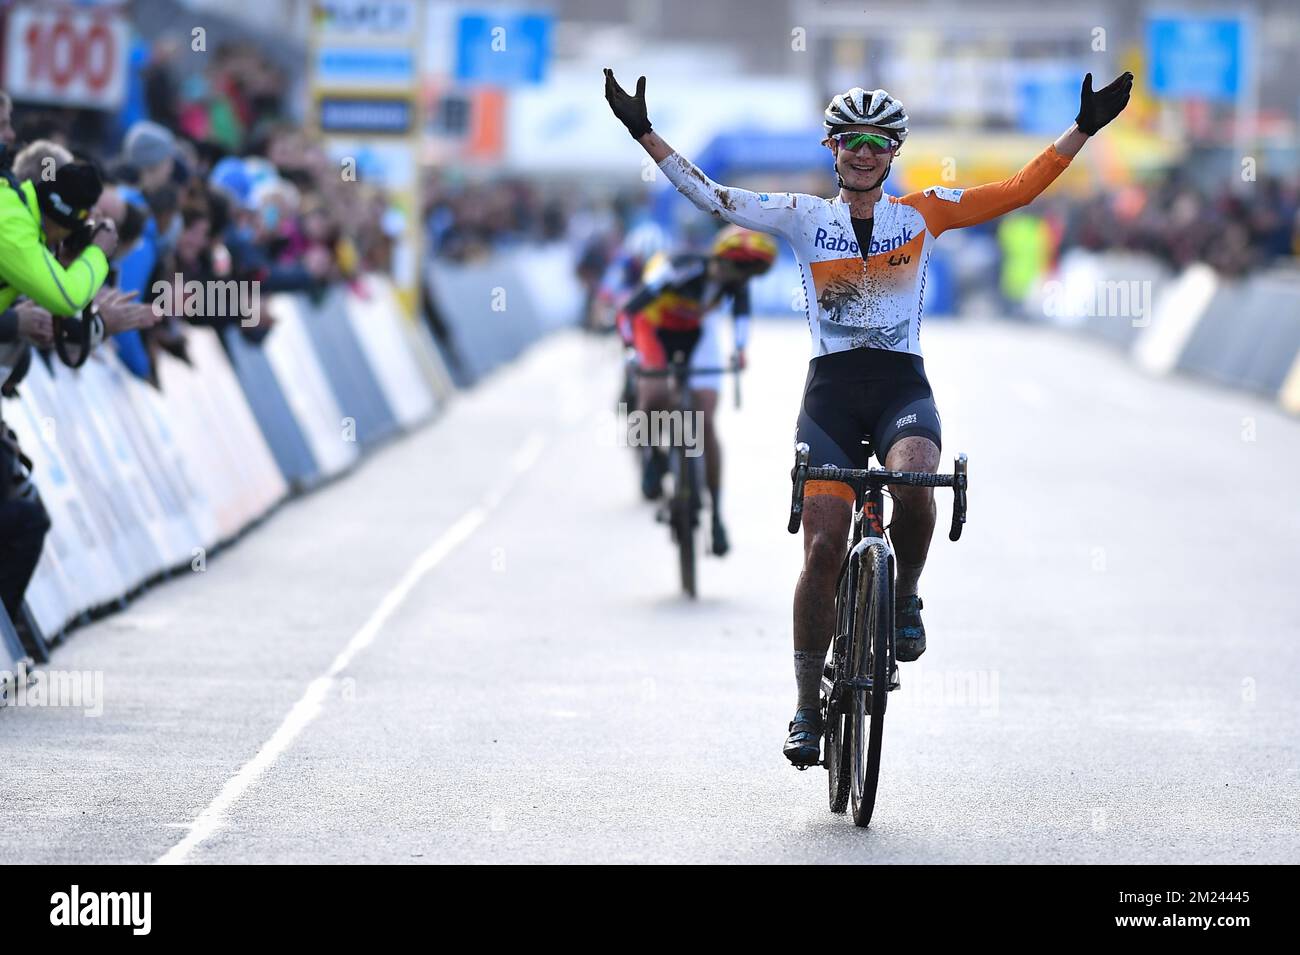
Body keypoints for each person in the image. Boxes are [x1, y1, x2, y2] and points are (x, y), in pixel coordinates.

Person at [604, 68, 1132, 765]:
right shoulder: (801, 216)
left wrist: (1084, 127)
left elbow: (1016, 190)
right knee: (822, 547)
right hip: (828, 396)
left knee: (916, 480)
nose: (862, 150)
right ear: (832, 146)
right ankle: (804, 708)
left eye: (877, 141)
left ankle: (906, 595)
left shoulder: (923, 213)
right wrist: (642, 130)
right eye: (850, 139)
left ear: (893, 151)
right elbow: (714, 196)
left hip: (899, 388)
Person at [618, 224, 776, 556]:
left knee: (704, 422)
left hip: (695, 333)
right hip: (654, 326)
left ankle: (716, 516)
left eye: (747, 274)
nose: (740, 279)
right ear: (718, 259)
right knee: (654, 396)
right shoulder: (678, 267)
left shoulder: (737, 280)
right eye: (736, 269)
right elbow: (629, 311)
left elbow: (741, 319)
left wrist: (741, 349)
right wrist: (631, 349)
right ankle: (652, 456)